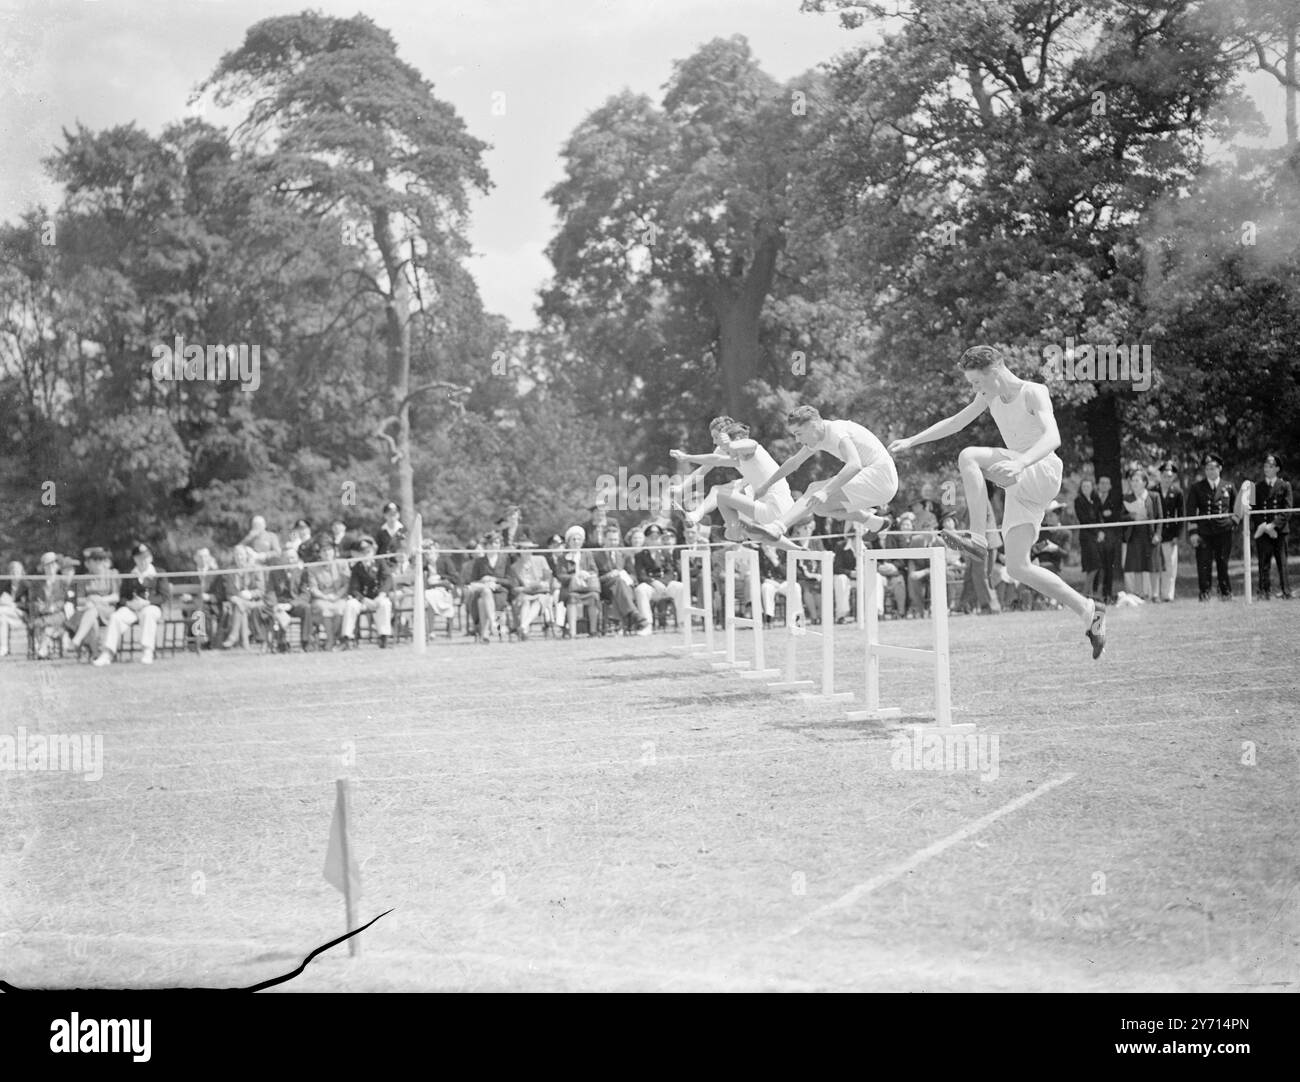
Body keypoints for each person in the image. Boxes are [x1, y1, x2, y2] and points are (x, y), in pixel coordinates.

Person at [888, 344, 1105, 658]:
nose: (974, 389)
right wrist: (912, 439)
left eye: (976, 382)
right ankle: (1089, 612)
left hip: (1041, 470)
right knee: (1018, 567)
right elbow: (955, 422)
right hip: (1020, 485)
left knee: (969, 456)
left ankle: (978, 539)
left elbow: (1053, 437)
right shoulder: (989, 396)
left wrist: (1021, 463)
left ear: (994, 372)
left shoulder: (1034, 392)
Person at [753, 405, 899, 546]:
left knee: (815, 490)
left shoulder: (836, 431)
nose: (798, 440)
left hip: (880, 476)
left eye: (799, 434)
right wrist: (766, 485)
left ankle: (777, 527)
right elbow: (794, 462)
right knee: (818, 507)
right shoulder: (817, 437)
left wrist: (825, 491)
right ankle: (874, 522)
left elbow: (854, 465)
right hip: (880, 483)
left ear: (813, 425)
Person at [672, 417, 794, 543]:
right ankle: (729, 531)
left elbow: (750, 444)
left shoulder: (752, 447)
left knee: (721, 494)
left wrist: (730, 444)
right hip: (767, 505)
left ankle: (733, 533)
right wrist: (687, 458)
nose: (724, 451)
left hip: (775, 505)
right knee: (722, 493)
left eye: (717, 439)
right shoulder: (738, 460)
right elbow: (714, 460)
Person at [94, 543, 165, 666]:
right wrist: (129, 603)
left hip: (151, 607)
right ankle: (107, 653)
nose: (142, 560)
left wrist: (147, 602)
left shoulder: (159, 572)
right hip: (132, 609)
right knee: (116, 617)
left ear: (151, 558)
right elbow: (122, 597)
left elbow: (164, 596)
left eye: (145, 557)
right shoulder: (129, 574)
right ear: (134, 559)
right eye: (139, 557)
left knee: (148, 614)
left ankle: (147, 652)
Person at [1187, 452, 1239, 601]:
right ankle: (1205, 593)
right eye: (1207, 468)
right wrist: (1193, 533)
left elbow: (1238, 507)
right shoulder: (1197, 487)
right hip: (1204, 532)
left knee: (1223, 563)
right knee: (1204, 564)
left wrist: (1233, 523)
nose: (1210, 471)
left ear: (1220, 468)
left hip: (1223, 531)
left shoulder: (1228, 486)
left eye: (1213, 468)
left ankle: (1225, 592)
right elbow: (1191, 511)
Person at [67, 547, 119, 659]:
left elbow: (116, 596)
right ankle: (96, 654)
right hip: (88, 610)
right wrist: (90, 599)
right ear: (88, 564)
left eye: (101, 560)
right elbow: (79, 600)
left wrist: (100, 600)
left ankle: (77, 639)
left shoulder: (111, 575)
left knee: (93, 610)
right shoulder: (83, 579)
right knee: (92, 619)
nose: (99, 563)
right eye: (95, 560)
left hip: (106, 610)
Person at [1252, 453, 1291, 600]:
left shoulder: (1285, 486)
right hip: (1263, 530)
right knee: (1263, 562)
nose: (1266, 469)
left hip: (1279, 531)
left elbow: (1287, 510)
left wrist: (1273, 526)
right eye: (1265, 466)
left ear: (1277, 468)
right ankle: (1263, 591)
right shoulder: (1256, 487)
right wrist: (1264, 526)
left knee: (1282, 561)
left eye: (1270, 466)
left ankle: (1286, 591)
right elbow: (1253, 510)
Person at [1121, 467, 1163, 601]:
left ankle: (1155, 594)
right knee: (1137, 566)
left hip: (1150, 536)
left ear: (1145, 482)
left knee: (1153, 566)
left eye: (1137, 480)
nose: (1134, 483)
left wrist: (1158, 534)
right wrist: (1132, 516)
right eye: (1132, 480)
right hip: (1135, 536)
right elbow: (1122, 517)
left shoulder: (1154, 496)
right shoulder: (1127, 497)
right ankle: (1139, 594)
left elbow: (1160, 517)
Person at [465, 530, 511, 644]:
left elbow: (510, 580)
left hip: (500, 591)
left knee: (482, 602)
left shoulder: (505, 560)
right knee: (484, 594)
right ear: (487, 545)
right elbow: (472, 581)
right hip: (483, 591)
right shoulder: (479, 562)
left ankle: (485, 633)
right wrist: (484, 581)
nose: (496, 545)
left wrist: (494, 580)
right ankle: (493, 623)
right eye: (493, 543)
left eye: (498, 543)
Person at [556, 526, 602, 637]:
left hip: (587, 587)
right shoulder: (562, 558)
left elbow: (594, 570)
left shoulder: (587, 554)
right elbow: (560, 575)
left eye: (579, 539)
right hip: (570, 588)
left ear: (582, 541)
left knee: (594, 597)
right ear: (568, 542)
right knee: (572, 598)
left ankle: (593, 630)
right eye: (573, 539)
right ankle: (572, 631)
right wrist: (574, 576)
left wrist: (586, 574)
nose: (576, 542)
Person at [1153, 461, 1184, 602]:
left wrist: (1178, 535)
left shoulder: (1177, 492)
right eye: (1164, 476)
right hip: (1156, 535)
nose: (1167, 479)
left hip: (1170, 535)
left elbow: (1181, 515)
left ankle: (1167, 595)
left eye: (1169, 476)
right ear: (1160, 476)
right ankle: (1155, 594)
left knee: (1170, 566)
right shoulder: (1153, 491)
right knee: (1155, 566)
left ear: (1173, 478)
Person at [28, 551, 68, 659]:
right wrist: (39, 607)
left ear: (57, 566)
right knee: (42, 626)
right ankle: (43, 649)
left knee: (42, 624)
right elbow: (32, 600)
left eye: (53, 564)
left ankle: (42, 649)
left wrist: (53, 607)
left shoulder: (62, 582)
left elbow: (65, 600)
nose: (51, 567)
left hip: (57, 615)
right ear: (43, 567)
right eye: (47, 565)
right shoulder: (37, 583)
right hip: (42, 615)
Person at [508, 537, 550, 640]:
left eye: (529, 548)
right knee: (525, 601)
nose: (527, 551)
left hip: (541, 593)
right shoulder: (514, 567)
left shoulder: (541, 560)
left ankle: (523, 626)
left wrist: (539, 584)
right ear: (520, 550)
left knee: (539, 600)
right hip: (524, 594)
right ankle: (524, 631)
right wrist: (527, 588)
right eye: (524, 549)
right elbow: (515, 588)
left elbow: (547, 580)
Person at [1094, 475, 1124, 604]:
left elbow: (1119, 514)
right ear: (1098, 485)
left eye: (1107, 483)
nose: (1104, 485)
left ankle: (1107, 594)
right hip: (1097, 535)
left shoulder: (1115, 499)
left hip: (1111, 536)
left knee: (1108, 566)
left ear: (1110, 486)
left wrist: (1110, 514)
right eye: (1102, 483)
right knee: (1096, 565)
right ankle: (1095, 593)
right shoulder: (1094, 498)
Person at [1073, 479, 1103, 598]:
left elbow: (1099, 517)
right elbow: (1084, 519)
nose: (1086, 488)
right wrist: (1097, 532)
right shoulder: (1078, 501)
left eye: (1088, 486)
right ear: (1081, 488)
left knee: (1094, 565)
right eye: (1084, 486)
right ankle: (1085, 593)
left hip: (1097, 535)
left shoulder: (1096, 499)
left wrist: (1101, 531)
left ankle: (1088, 594)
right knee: (1094, 564)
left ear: (1092, 487)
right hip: (1086, 536)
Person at [0, 560, 28, 657]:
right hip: (7, 613)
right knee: (2, 618)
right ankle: (4, 648)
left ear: (21, 572)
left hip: (22, 614)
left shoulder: (26, 585)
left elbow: (30, 604)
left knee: (1, 612)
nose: (14, 574)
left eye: (17, 571)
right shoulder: (5, 585)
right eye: (12, 572)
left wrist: (15, 605)